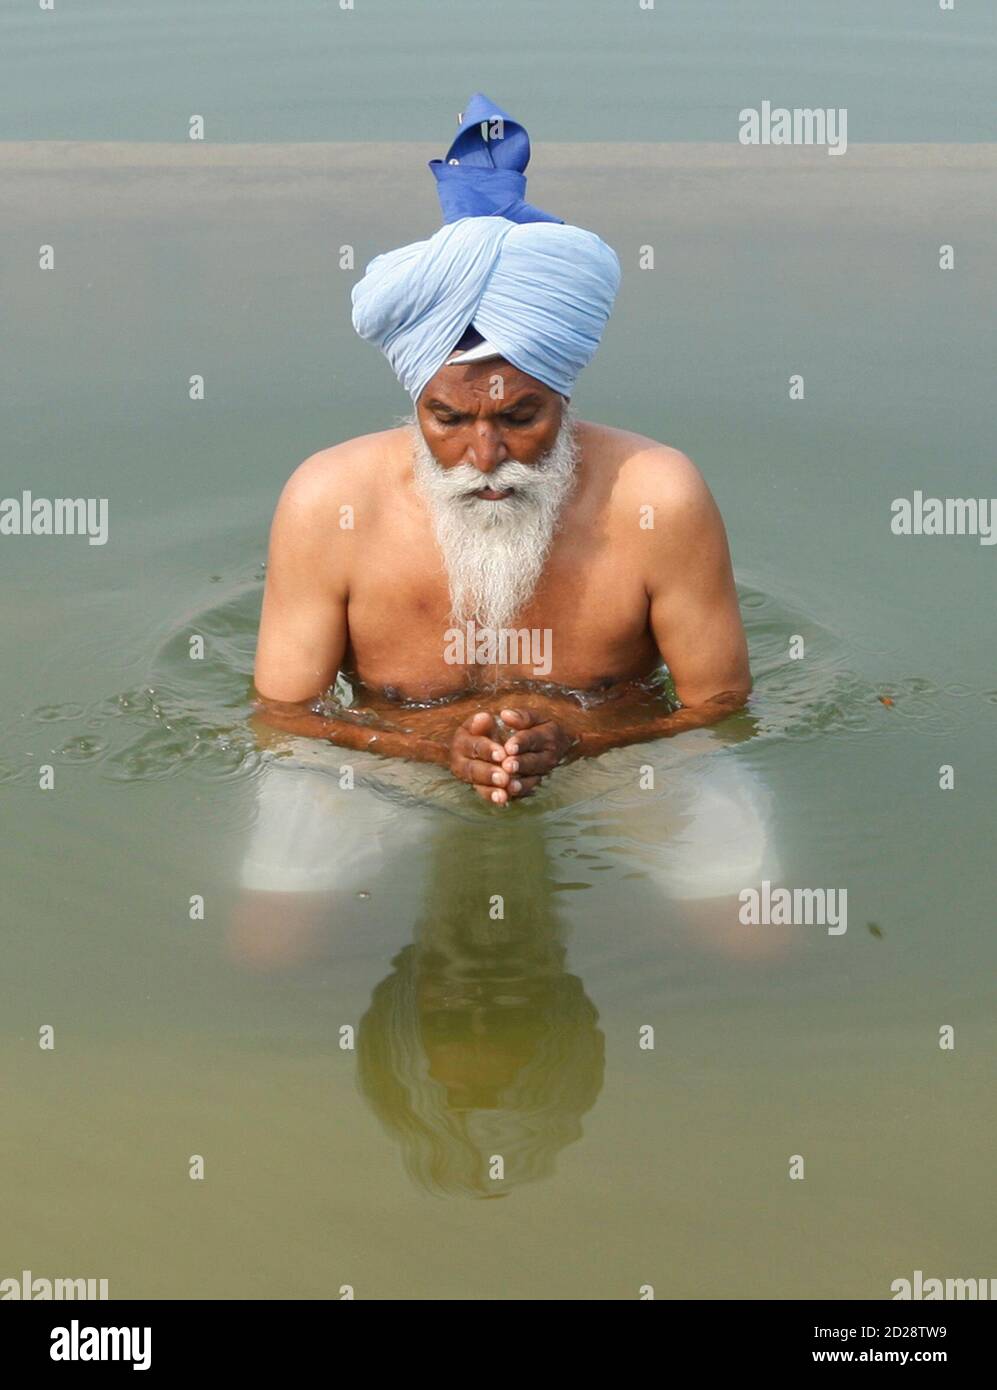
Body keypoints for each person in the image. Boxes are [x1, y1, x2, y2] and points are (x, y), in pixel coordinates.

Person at [235, 93, 781, 927]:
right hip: (383, 761)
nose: (484, 457)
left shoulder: (656, 496)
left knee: (753, 934)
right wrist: (430, 748)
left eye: (520, 418)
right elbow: (282, 718)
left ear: (563, 397)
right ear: (416, 403)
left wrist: (581, 744)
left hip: (614, 758)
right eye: (448, 420)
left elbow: (719, 708)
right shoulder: (328, 500)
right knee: (270, 941)